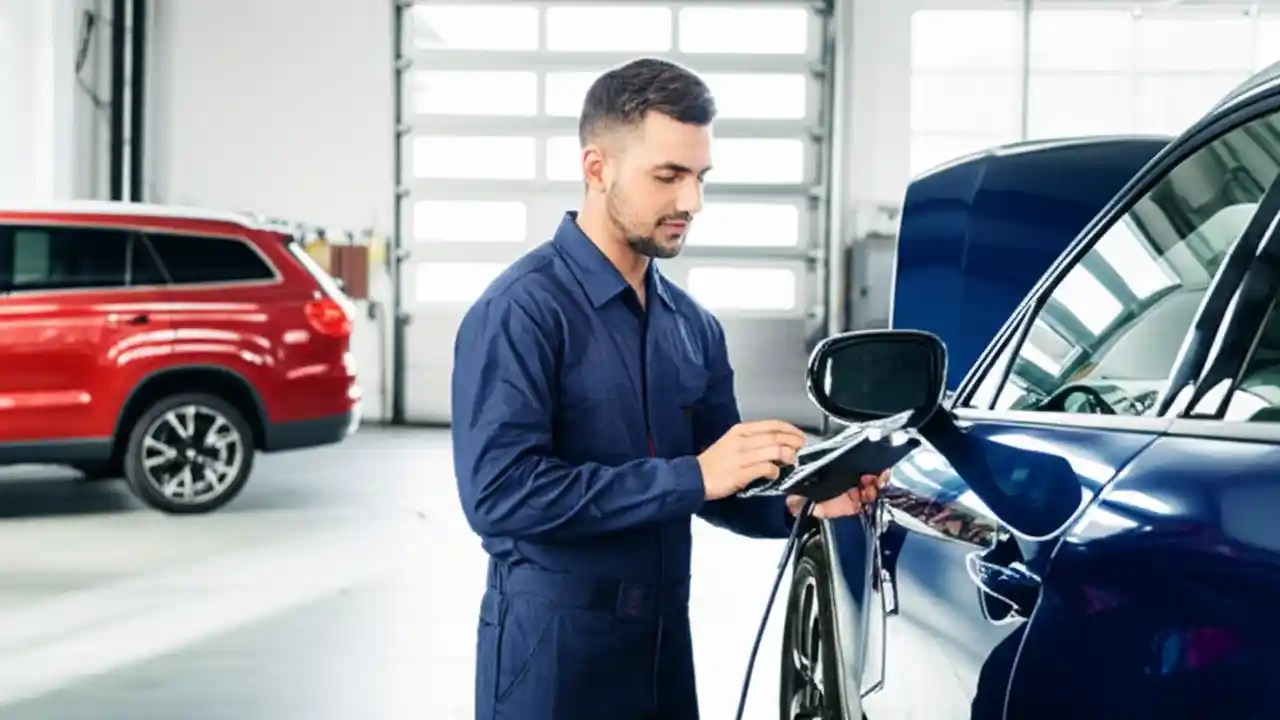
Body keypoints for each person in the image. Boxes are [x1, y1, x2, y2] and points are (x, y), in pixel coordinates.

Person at [451, 57, 889, 720]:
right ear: (597, 168)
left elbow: (723, 487)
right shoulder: (521, 311)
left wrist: (801, 501)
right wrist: (691, 477)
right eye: (669, 176)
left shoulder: (693, 327)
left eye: (699, 176)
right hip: (552, 655)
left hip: (661, 652)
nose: (692, 202)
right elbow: (500, 495)